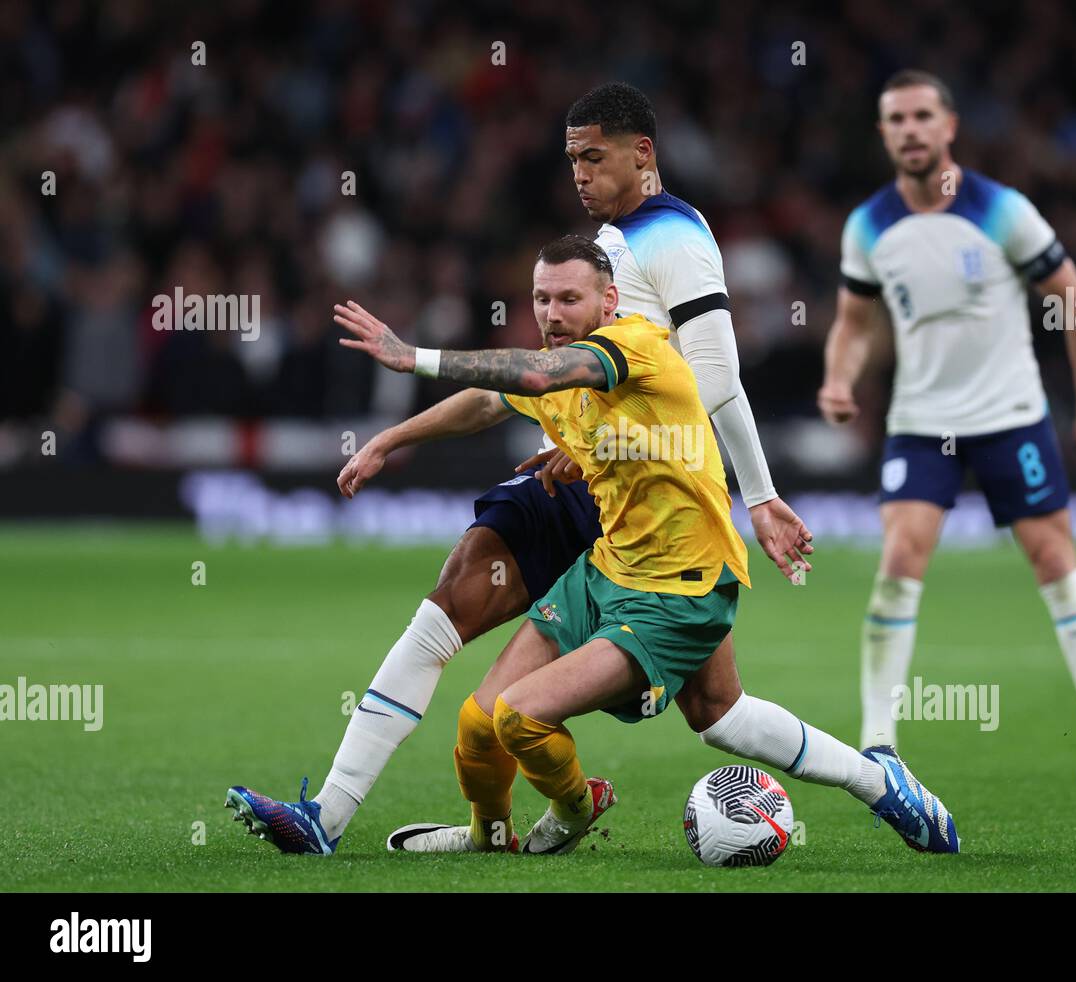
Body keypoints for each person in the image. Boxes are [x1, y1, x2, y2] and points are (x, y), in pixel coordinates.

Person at [224, 84, 835, 855]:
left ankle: (872, 781)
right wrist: (397, 438)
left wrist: (752, 491)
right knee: (453, 599)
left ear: (641, 154)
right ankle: (330, 816)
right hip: (584, 476)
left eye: (592, 156)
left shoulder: (673, 238)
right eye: (571, 157)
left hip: (642, 494)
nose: (577, 173)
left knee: (716, 712)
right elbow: (535, 378)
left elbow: (712, 378)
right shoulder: (605, 246)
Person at [318, 235, 955, 855]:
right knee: (495, 726)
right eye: (541, 298)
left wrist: (416, 357)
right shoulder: (556, 372)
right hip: (607, 572)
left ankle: (575, 810)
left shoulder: (632, 347)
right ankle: (492, 837)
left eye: (569, 298)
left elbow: (539, 377)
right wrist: (388, 440)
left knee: (520, 718)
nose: (551, 313)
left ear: (609, 301)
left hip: (680, 590)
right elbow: (490, 398)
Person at [818, 69, 1076, 781]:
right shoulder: (868, 225)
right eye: (896, 119)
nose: (911, 130)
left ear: (950, 126)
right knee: (899, 561)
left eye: (924, 116)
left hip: (1011, 417)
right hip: (920, 422)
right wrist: (840, 377)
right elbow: (854, 322)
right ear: (883, 133)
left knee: (1055, 562)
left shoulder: (1003, 211)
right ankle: (879, 741)